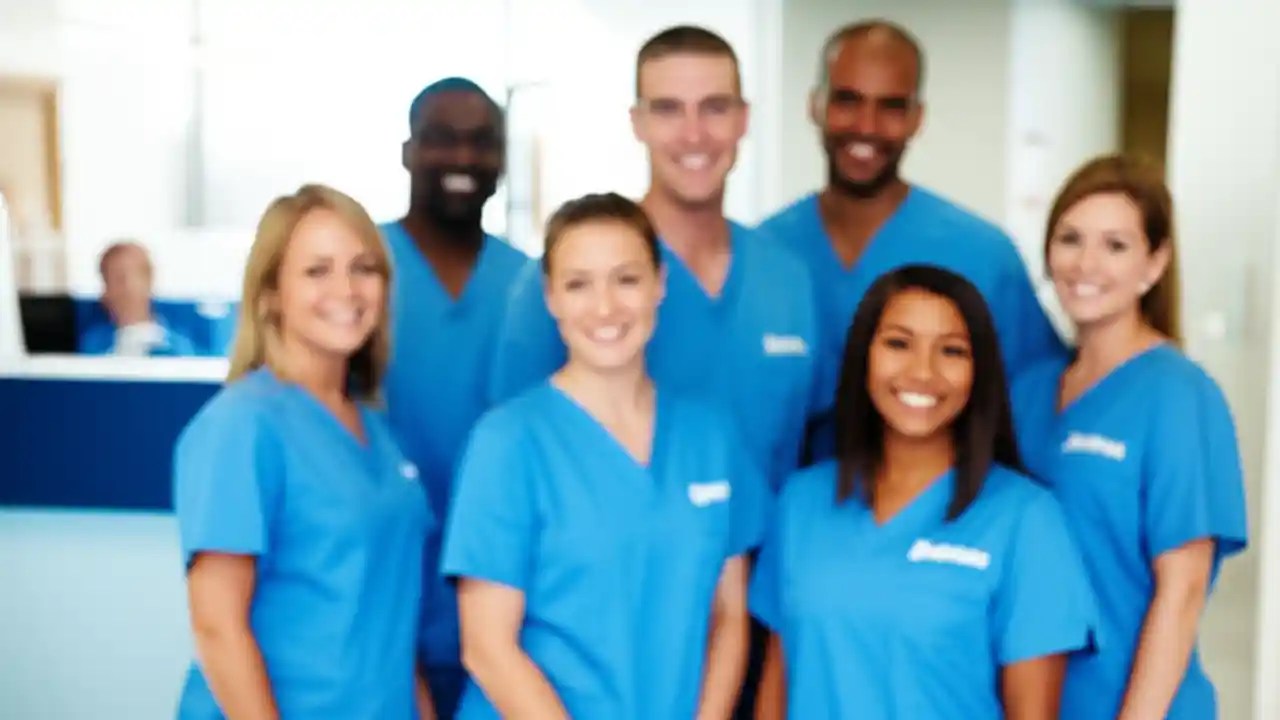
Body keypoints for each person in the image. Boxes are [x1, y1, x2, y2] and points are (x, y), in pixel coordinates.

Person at [441, 192, 765, 718]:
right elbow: (488, 649)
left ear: (660, 284)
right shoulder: (508, 443)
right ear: (550, 297)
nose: (606, 307)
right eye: (578, 284)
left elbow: (728, 616)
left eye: (626, 279)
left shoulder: (710, 438)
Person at [749, 264, 1098, 719]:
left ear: (979, 372)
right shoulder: (802, 503)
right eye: (898, 343)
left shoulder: (1026, 520)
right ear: (864, 355)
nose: (922, 371)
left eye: (952, 351)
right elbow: (777, 691)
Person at [489, 25, 824, 492]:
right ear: (637, 122)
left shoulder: (787, 279)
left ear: (744, 119)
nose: (694, 135)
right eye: (668, 109)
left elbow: (808, 451)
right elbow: (513, 459)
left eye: (715, 108)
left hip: (760, 562)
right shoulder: (566, 281)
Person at [171, 184, 436, 719]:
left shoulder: (377, 433)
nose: (347, 288)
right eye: (317, 271)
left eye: (364, 268)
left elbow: (387, 624)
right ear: (270, 293)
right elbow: (218, 628)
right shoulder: (241, 427)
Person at [1009, 154, 1249, 719]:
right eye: (1070, 238)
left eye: (1115, 245)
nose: (1086, 262)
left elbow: (1183, 590)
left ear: (1155, 263)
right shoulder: (1028, 392)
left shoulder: (1180, 397)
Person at [757, 19, 1063, 455]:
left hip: (944, 513)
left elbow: (1037, 401)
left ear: (917, 119)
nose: (866, 126)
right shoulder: (764, 254)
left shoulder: (982, 255)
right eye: (847, 100)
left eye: (891, 107)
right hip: (804, 514)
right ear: (815, 106)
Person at [380, 76, 531, 718]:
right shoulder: (363, 273)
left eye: (482, 142)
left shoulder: (533, 285)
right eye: (442, 140)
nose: (464, 159)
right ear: (409, 151)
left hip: (506, 609)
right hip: (381, 605)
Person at [79, 240, 197, 356]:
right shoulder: (93, 344)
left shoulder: (179, 349)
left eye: (126, 277)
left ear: (149, 281)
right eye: (112, 279)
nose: (124, 289)